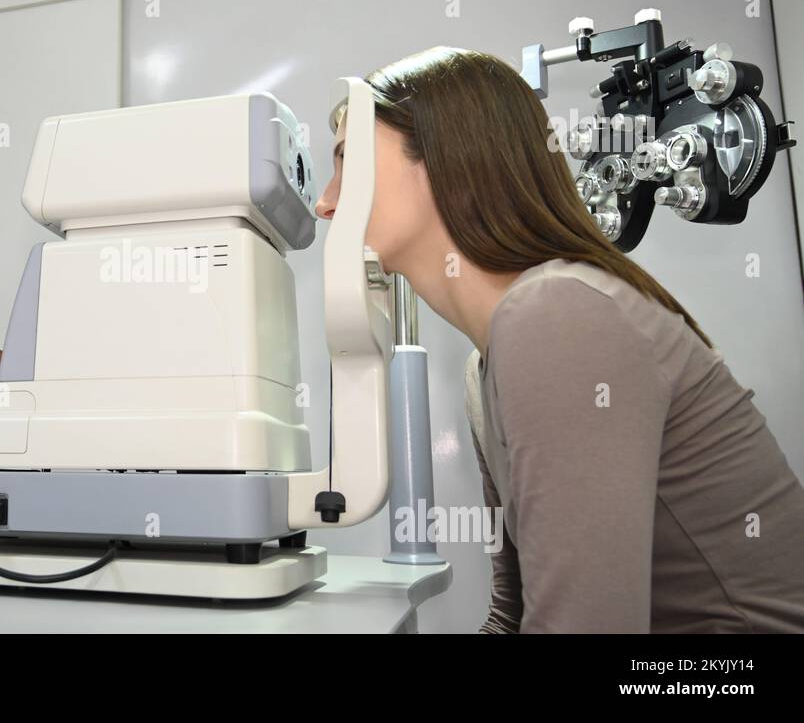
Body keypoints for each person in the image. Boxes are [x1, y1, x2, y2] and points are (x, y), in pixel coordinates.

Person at [315, 47, 804, 632]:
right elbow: (512, 614)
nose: (325, 203)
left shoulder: (558, 315)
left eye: (348, 159)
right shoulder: (485, 368)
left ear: (446, 158)